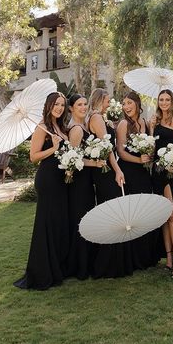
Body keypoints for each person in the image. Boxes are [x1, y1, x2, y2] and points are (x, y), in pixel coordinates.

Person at [14, 92, 69, 290]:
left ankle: (57, 267)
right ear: (49, 105)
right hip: (47, 180)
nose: (59, 108)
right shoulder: (42, 127)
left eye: (62, 105)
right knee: (46, 223)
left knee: (58, 223)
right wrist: (53, 149)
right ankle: (42, 272)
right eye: (56, 104)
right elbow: (33, 157)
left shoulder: (60, 127)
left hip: (61, 180)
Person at [86, 88, 130, 279]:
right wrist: (118, 169)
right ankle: (107, 264)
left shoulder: (100, 118)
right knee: (112, 213)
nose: (109, 103)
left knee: (112, 212)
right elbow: (107, 147)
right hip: (105, 171)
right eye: (107, 100)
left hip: (105, 169)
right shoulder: (95, 117)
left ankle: (113, 261)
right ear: (100, 100)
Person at [116, 91, 155, 270]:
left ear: (138, 104)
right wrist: (139, 160)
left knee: (144, 211)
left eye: (129, 102)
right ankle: (132, 258)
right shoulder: (123, 124)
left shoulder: (145, 123)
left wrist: (152, 130)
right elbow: (121, 152)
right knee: (132, 214)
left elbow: (151, 146)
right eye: (124, 103)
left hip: (144, 173)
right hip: (129, 171)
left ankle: (145, 255)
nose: (126, 106)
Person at [150, 89, 173, 278]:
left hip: (172, 171)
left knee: (172, 215)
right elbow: (152, 147)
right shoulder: (155, 121)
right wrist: (149, 129)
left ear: (172, 102)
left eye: (167, 100)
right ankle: (169, 258)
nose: (164, 103)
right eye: (161, 99)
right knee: (163, 215)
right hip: (157, 171)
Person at [64, 93, 98, 280]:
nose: (84, 107)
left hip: (85, 181)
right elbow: (73, 159)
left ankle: (84, 262)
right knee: (80, 220)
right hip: (78, 182)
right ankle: (80, 266)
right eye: (79, 105)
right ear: (71, 108)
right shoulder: (76, 129)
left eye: (85, 104)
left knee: (85, 219)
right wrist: (95, 163)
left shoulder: (83, 125)